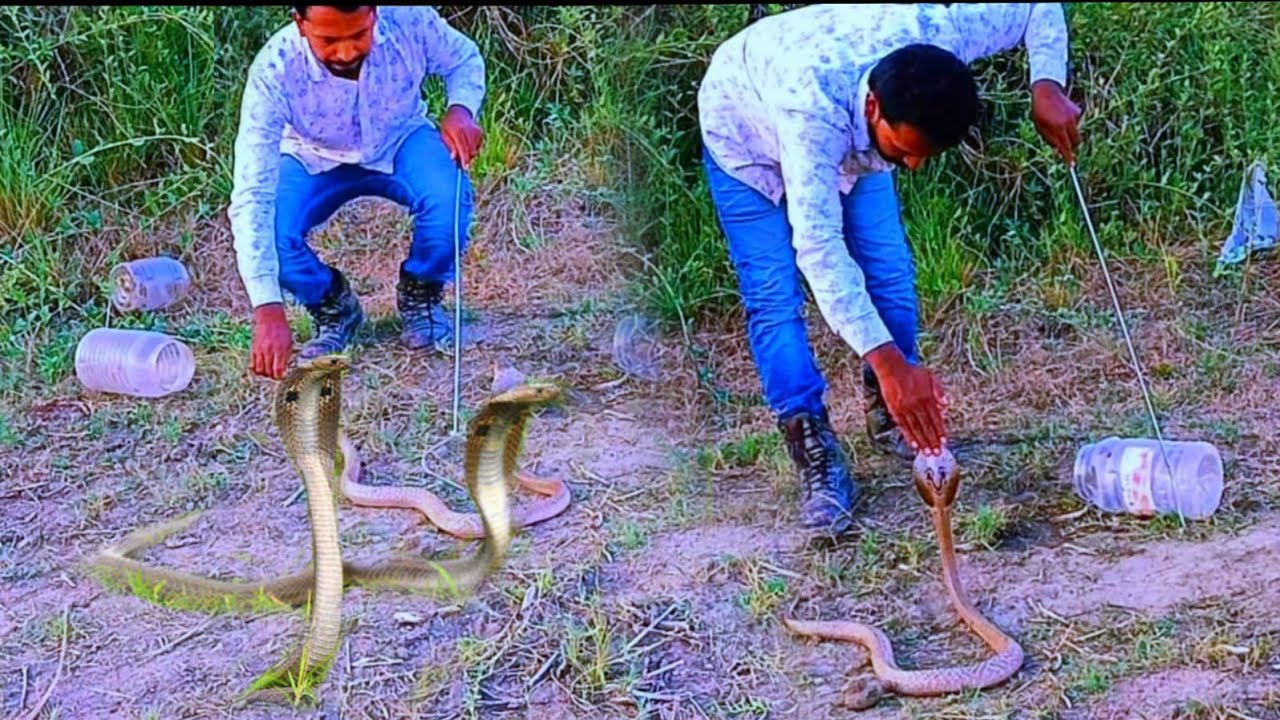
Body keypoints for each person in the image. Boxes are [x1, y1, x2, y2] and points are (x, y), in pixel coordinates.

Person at [697, 3, 1082, 537]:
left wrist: (1047, 85)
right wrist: (889, 362)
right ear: (875, 105)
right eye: (906, 150)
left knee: (890, 273)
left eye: (925, 155)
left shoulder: (937, 34)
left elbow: (1036, 7)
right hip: (745, 131)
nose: (916, 166)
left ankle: (889, 415)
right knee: (774, 296)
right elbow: (819, 247)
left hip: (847, 124)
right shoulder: (811, 111)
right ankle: (813, 445)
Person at [228, 5, 486, 380]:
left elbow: (463, 58)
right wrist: (267, 307)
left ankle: (421, 295)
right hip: (311, 157)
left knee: (450, 198)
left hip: (400, 140)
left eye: (359, 35)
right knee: (272, 229)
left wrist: (461, 110)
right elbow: (252, 193)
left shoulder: (409, 18)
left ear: (375, 13)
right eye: (329, 40)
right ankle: (332, 306)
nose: (346, 52)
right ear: (300, 23)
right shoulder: (274, 70)